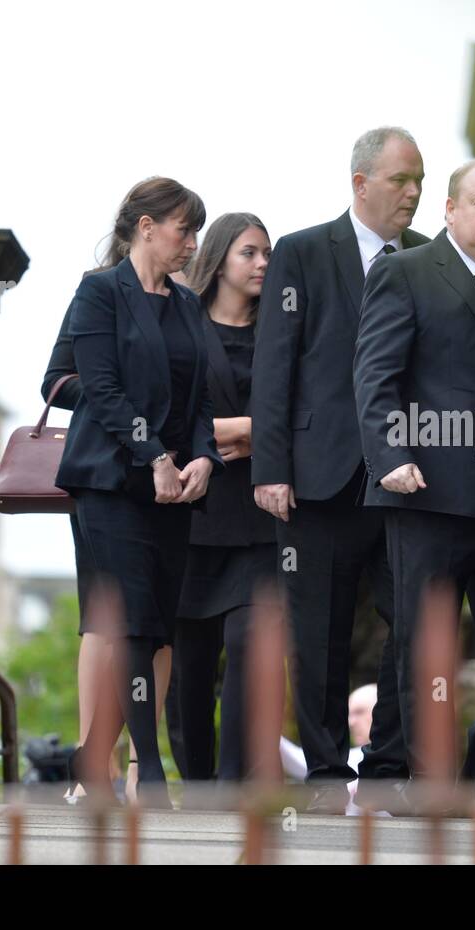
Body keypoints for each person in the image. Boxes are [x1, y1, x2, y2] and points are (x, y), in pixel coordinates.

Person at [250, 127, 429, 813]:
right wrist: (271, 467)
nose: (413, 193)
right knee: (317, 635)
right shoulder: (301, 252)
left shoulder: (428, 259)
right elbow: (275, 364)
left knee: (413, 619)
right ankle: (325, 774)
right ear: (361, 183)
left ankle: (385, 765)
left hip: (405, 480)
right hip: (316, 478)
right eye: (400, 180)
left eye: (420, 181)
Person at [353, 159, 475, 805]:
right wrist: (389, 455)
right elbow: (375, 374)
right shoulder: (407, 271)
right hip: (427, 492)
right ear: (450, 209)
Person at [54, 176, 221, 809]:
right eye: (184, 229)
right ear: (146, 227)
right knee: (130, 625)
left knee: (154, 630)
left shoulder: (187, 305)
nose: (193, 243)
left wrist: (203, 457)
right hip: (110, 482)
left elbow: (201, 398)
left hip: (171, 490)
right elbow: (99, 387)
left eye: (197, 231)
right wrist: (153, 454)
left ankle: (93, 756)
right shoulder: (100, 292)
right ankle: (148, 773)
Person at [166, 213, 278, 786]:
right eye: (249, 253)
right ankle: (197, 782)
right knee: (189, 664)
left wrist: (245, 431)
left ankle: (233, 786)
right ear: (218, 260)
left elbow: (301, 411)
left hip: (262, 520)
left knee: (250, 647)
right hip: (193, 515)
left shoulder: (280, 329)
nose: (263, 264)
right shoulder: (181, 322)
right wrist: (236, 431)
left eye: (267, 254)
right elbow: (164, 411)